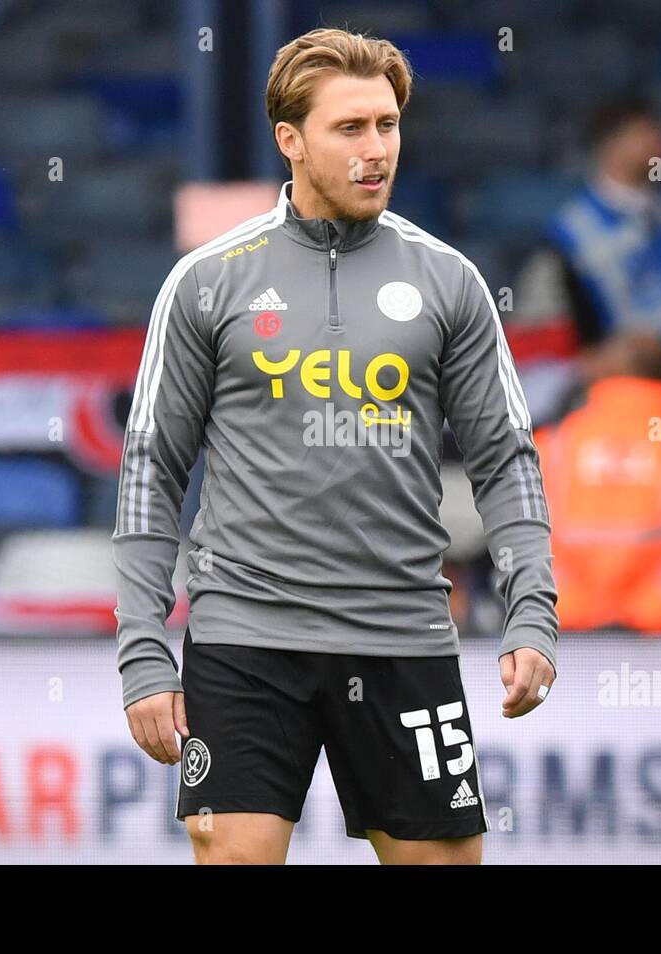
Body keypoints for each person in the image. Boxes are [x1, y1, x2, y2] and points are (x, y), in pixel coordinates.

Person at [112, 28, 558, 865]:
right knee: (235, 857)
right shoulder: (209, 281)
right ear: (291, 141)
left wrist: (532, 611)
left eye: (387, 125)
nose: (375, 150)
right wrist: (144, 654)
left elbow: (505, 460)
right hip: (246, 636)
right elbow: (150, 471)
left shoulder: (449, 281)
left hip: (401, 636)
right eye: (349, 129)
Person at [534, 332, 661, 634]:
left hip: (567, 635)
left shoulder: (553, 445)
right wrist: (650, 612)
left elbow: (527, 537)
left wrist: (575, 607)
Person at [544, 96, 661, 413]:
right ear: (612, 146)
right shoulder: (572, 233)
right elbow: (580, 337)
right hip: (653, 394)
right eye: (646, 132)